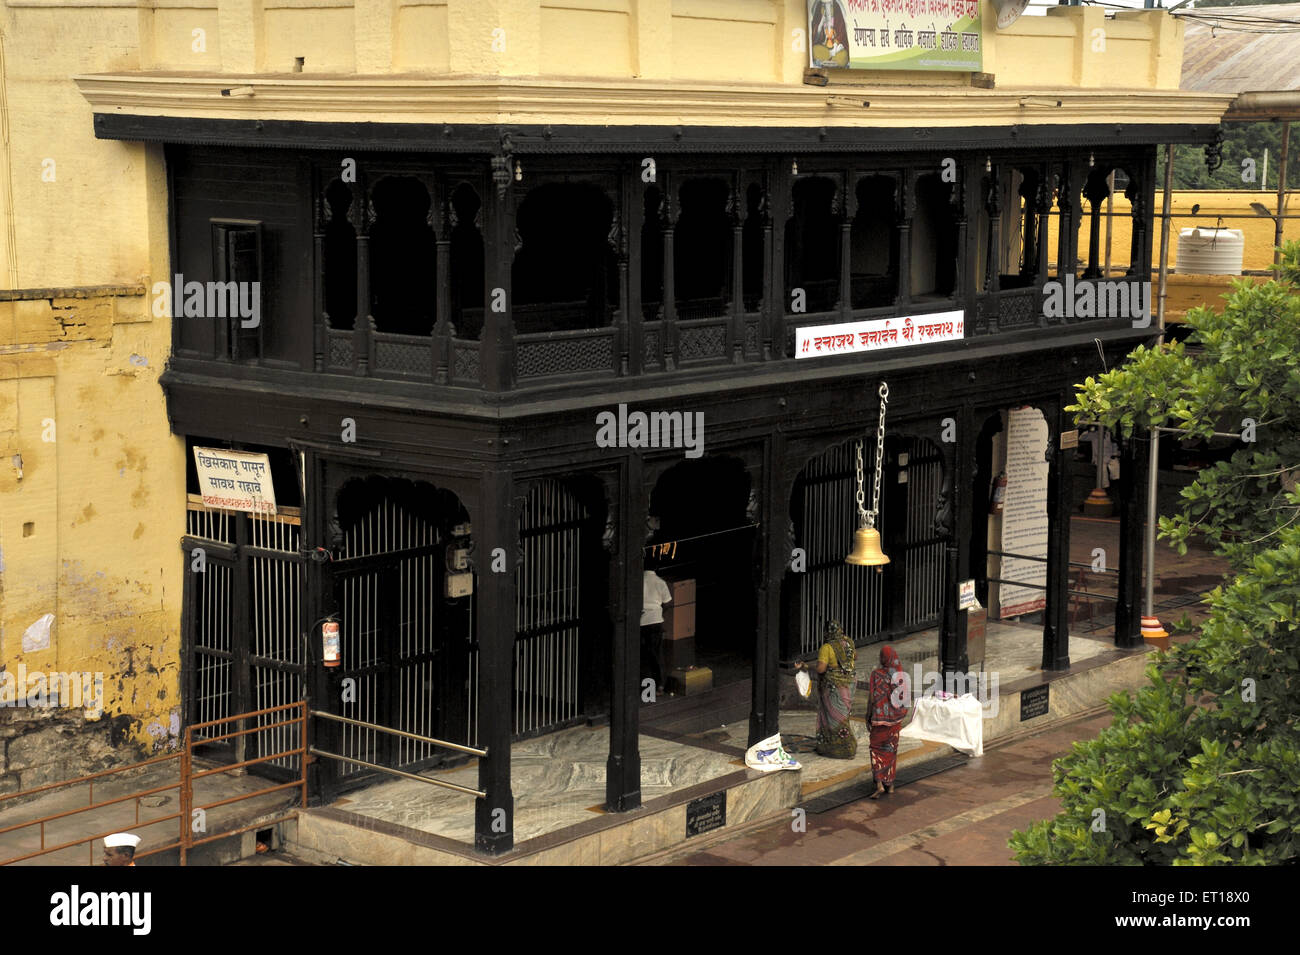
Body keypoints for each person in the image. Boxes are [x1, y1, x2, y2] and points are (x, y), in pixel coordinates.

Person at [796, 619, 857, 758]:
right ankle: (845, 745)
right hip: (849, 684)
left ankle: (840, 748)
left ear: (826, 632)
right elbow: (855, 657)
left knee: (834, 717)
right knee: (843, 715)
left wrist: (807, 667)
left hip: (834, 688)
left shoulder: (827, 647)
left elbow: (821, 668)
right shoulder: (848, 642)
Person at [867, 644, 908, 798]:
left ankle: (879, 784)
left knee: (876, 749)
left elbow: (872, 698)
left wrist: (868, 715)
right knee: (891, 750)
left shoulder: (875, 675)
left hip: (879, 722)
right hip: (895, 722)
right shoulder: (901, 676)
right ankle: (890, 784)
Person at [640, 565, 672, 693]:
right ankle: (659, 685)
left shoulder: (636, 581)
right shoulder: (660, 582)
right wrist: (660, 613)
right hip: (655, 621)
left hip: (639, 620)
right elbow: (668, 603)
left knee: (641, 653)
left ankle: (643, 683)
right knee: (656, 653)